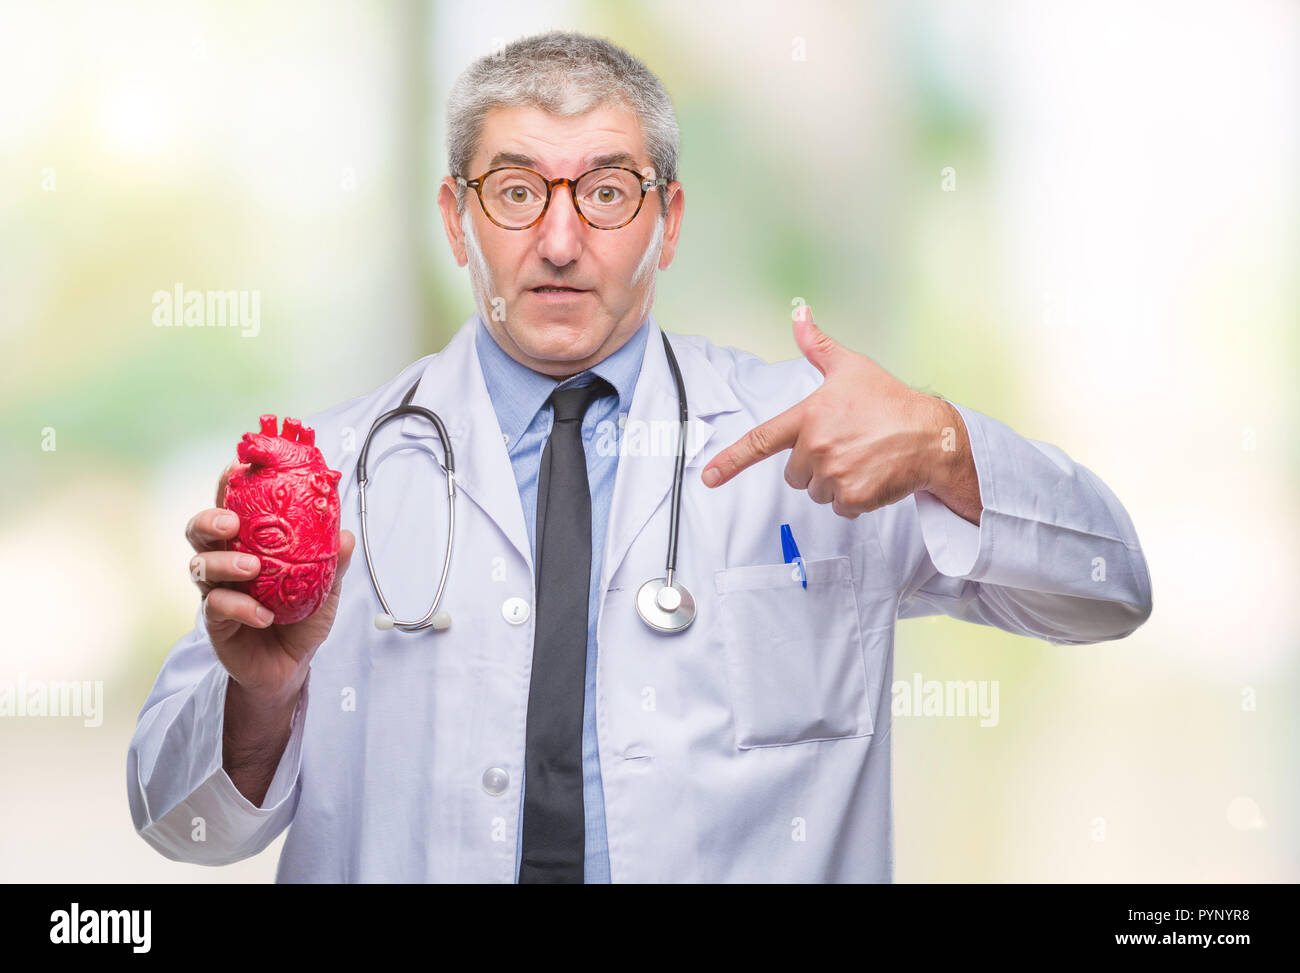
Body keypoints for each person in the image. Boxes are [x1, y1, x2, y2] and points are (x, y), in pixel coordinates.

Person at [127, 30, 1152, 883]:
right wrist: (261, 694)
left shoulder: (820, 441)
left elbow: (1111, 588)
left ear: (666, 222)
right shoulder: (333, 472)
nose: (560, 241)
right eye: (516, 191)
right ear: (456, 220)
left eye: (608, 193)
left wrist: (943, 444)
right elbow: (180, 823)